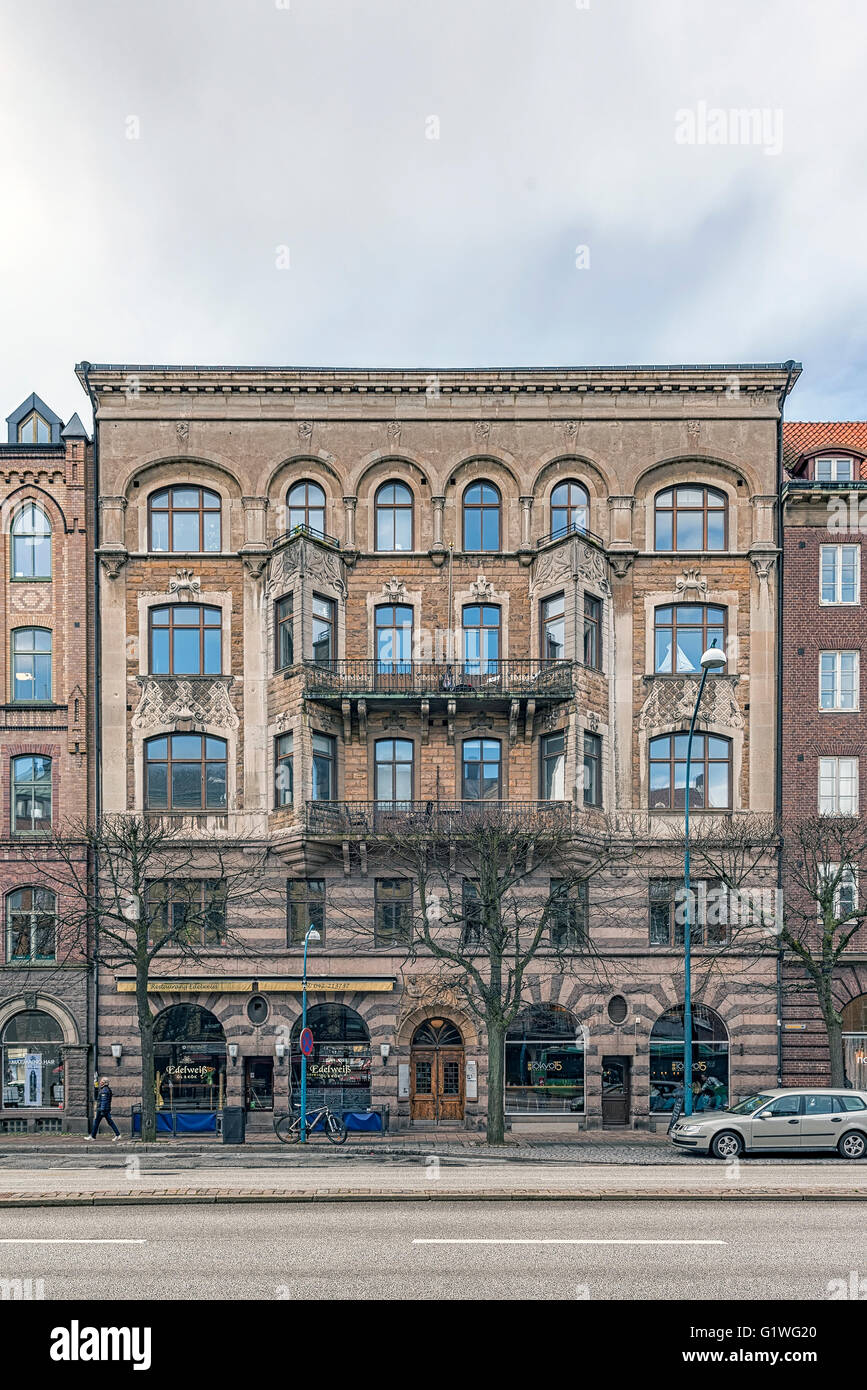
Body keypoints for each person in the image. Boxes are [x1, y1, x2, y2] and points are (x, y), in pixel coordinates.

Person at [86, 1077, 121, 1141]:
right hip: (105, 1109)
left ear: (104, 1083)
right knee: (109, 1122)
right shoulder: (106, 1089)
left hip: (102, 1110)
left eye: (101, 1081)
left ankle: (93, 1137)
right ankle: (118, 1134)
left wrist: (102, 1110)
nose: (100, 1082)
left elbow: (104, 1101)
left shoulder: (104, 1090)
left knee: (97, 1122)